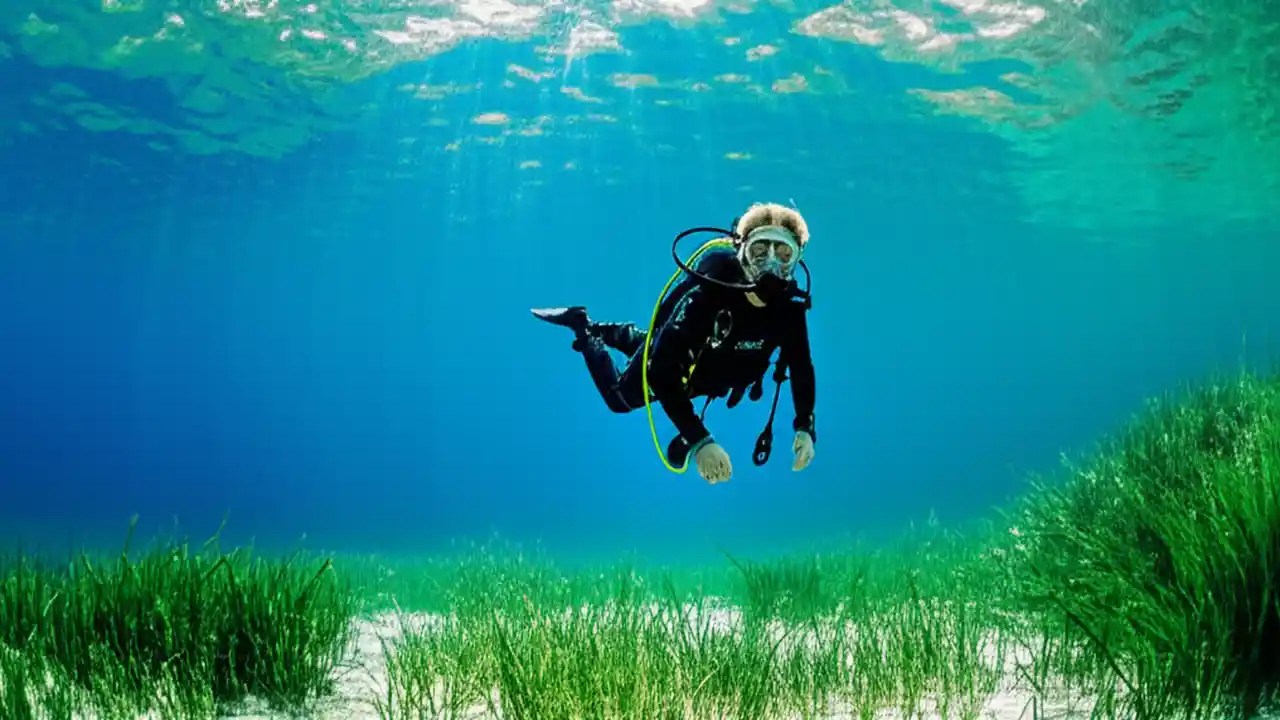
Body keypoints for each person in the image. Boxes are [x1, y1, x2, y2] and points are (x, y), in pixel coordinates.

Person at [532, 201, 817, 484]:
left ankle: (618, 334)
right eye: (759, 251)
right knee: (621, 401)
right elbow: (661, 371)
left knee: (665, 349)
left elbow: (801, 365)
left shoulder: (789, 311)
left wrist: (805, 425)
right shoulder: (710, 294)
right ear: (742, 253)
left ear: (796, 260)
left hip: (710, 373)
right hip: (684, 367)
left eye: (783, 254)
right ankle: (583, 327)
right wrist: (700, 440)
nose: (771, 264)